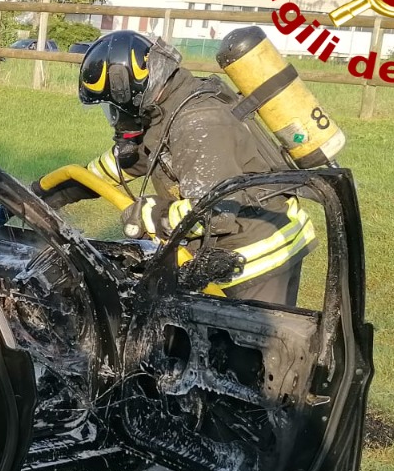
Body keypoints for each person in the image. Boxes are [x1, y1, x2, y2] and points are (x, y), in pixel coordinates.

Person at [18, 30, 314, 303]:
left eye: (113, 105)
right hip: (225, 250)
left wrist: (151, 214)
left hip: (256, 258)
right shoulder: (164, 113)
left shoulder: (196, 122)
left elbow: (216, 213)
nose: (114, 115)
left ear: (128, 91)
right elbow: (109, 171)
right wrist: (38, 197)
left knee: (249, 357)